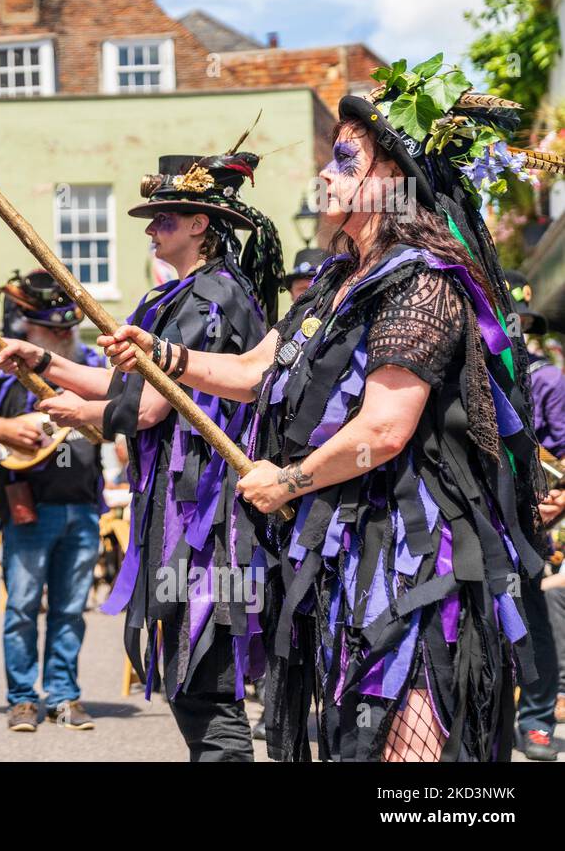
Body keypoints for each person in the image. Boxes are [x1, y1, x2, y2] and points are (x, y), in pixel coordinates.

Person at [102, 56, 552, 761]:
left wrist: (287, 481)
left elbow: (384, 429)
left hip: (410, 570)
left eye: (345, 161)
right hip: (341, 561)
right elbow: (256, 373)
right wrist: (167, 358)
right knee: (352, 747)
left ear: (393, 182)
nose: (325, 176)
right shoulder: (335, 282)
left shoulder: (422, 287)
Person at [0, 151, 284, 759]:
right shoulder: (171, 299)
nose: (151, 230)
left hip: (208, 518)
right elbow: (124, 387)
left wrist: (83, 418)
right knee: (192, 676)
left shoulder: (215, 298)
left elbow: (148, 410)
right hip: (175, 514)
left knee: (206, 679)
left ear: (200, 224)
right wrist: (45, 363)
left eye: (164, 220)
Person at [0, 269, 106, 733]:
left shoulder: (91, 365)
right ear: (27, 329)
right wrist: (4, 429)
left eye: (66, 328)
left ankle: (64, 696)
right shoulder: (2, 365)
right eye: (51, 329)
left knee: (71, 609)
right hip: (26, 506)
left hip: (82, 503)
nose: (62, 335)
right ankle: (21, 699)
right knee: (21, 607)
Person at [504, 270, 564, 759]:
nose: (513, 325)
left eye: (519, 318)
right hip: (474, 511)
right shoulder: (473, 367)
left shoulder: (547, 378)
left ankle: (539, 719)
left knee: (530, 610)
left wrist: (557, 499)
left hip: (528, 516)